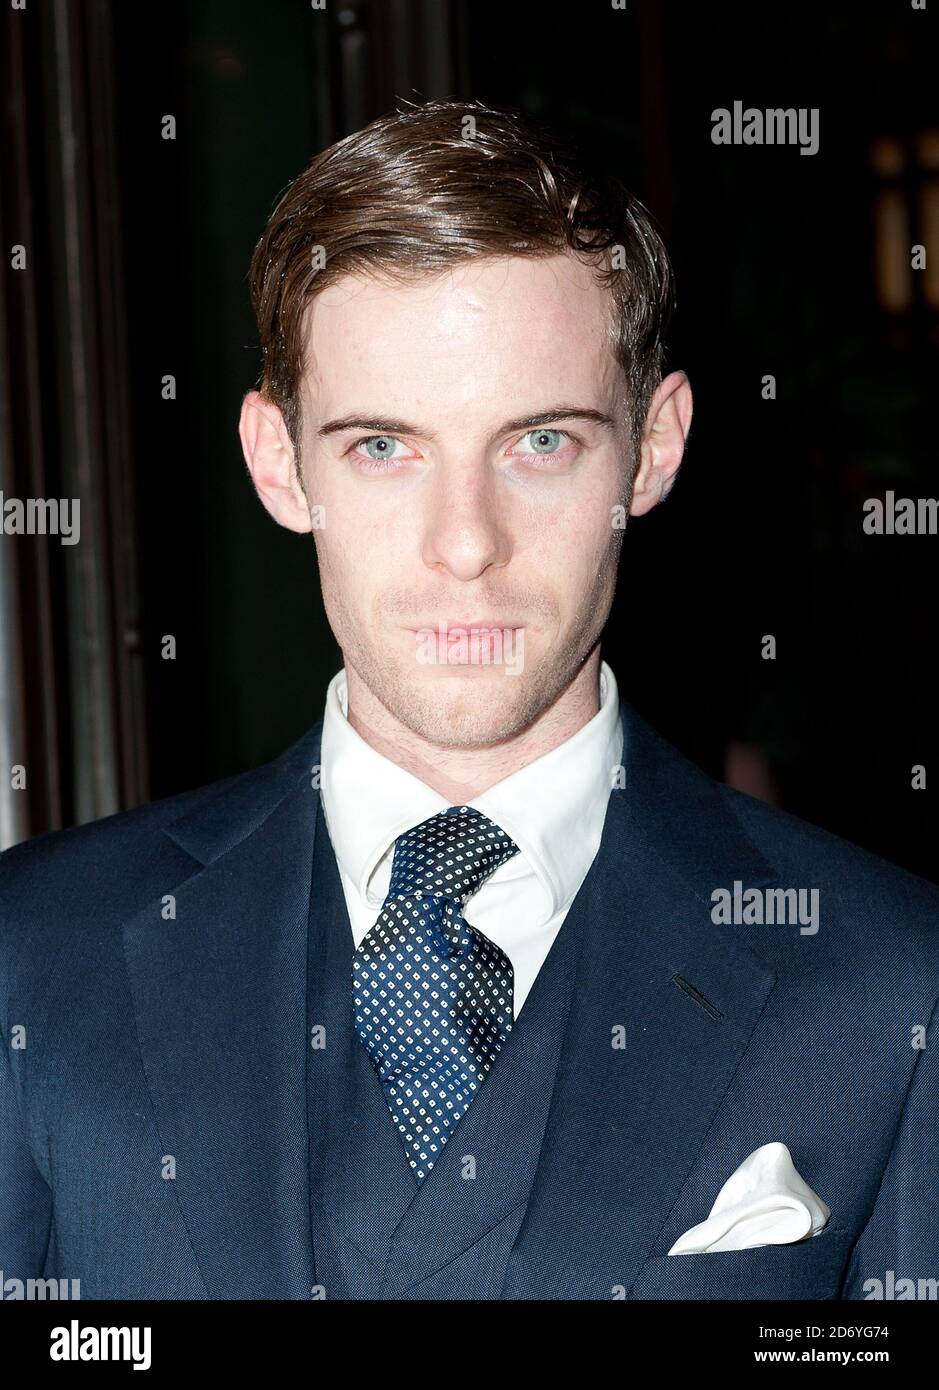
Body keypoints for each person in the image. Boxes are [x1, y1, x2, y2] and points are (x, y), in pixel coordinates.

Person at [1, 100, 936, 1301]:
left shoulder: (891, 980)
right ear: (279, 462)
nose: (465, 545)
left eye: (538, 442)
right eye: (383, 447)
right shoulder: (35, 957)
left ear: (653, 449)